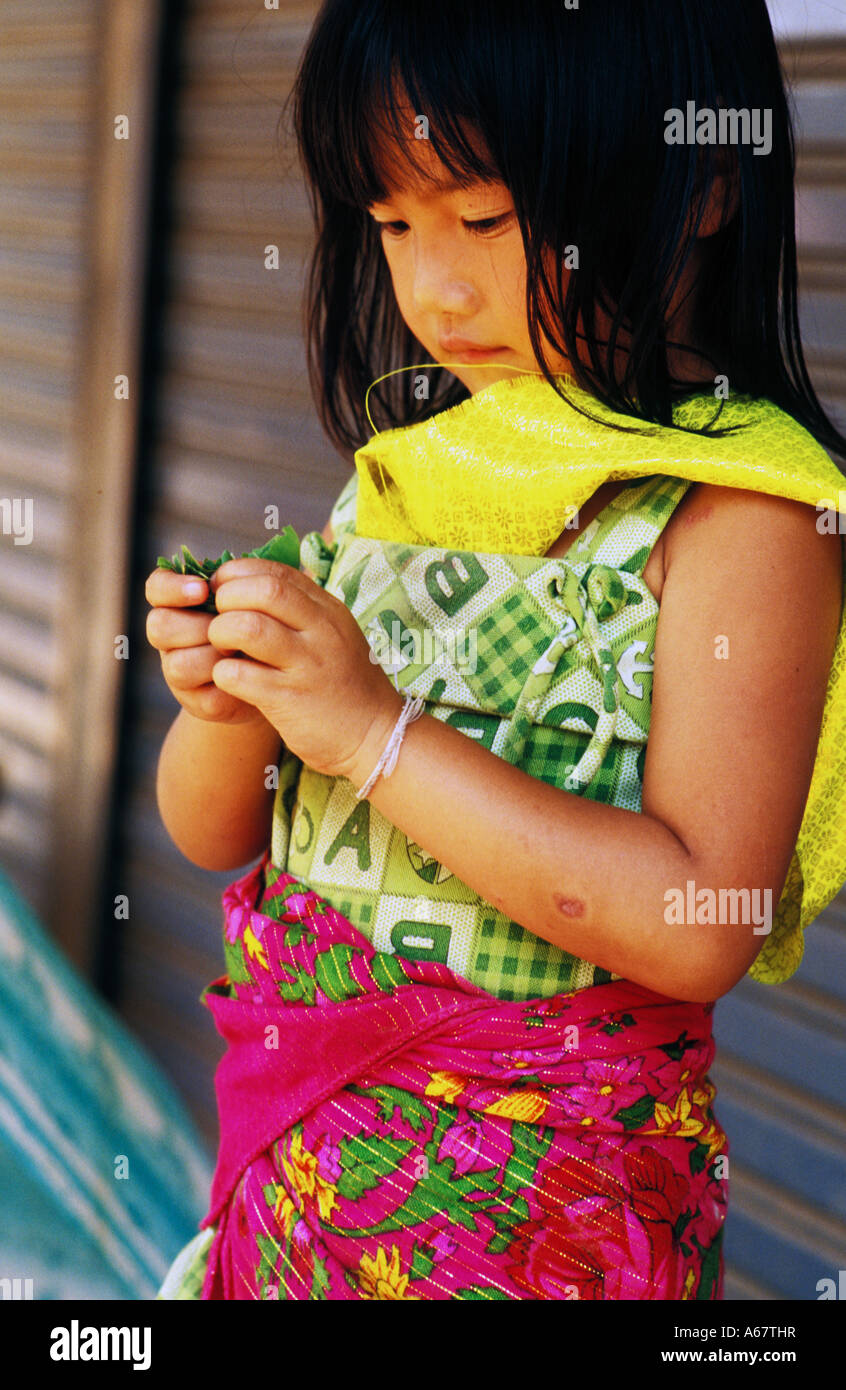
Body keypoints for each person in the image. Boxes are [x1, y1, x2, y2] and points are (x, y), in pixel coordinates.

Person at [147, 0, 846, 1299]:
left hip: (536, 1228)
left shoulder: (743, 520)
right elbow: (214, 835)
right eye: (392, 224)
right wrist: (230, 700)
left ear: (697, 188)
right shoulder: (412, 477)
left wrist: (370, 731)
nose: (436, 288)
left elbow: (698, 924)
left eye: (482, 218)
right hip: (300, 1195)